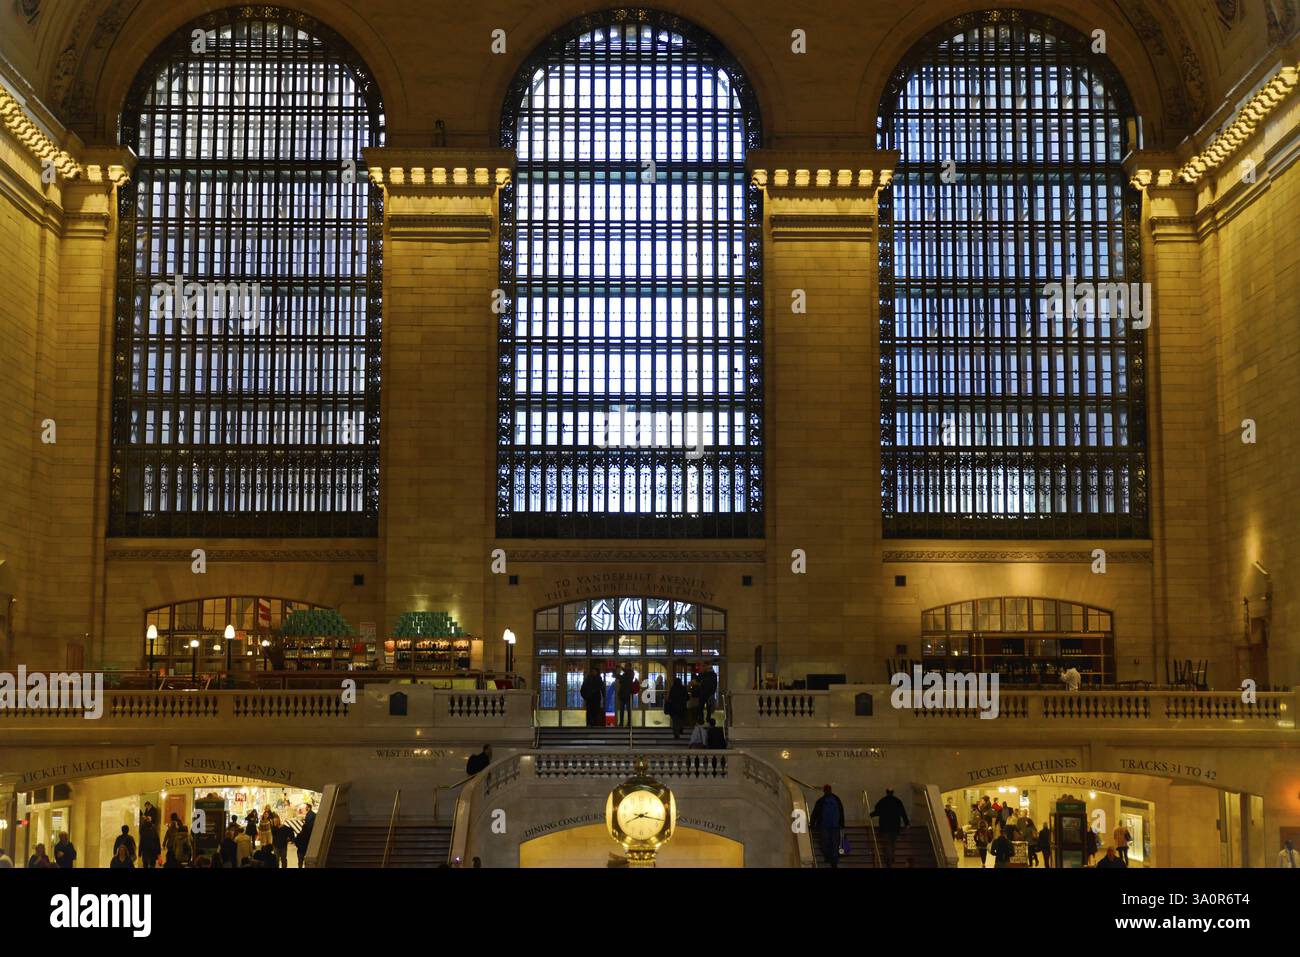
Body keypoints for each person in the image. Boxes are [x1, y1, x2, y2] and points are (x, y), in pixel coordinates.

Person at [869, 788, 911, 868]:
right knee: (893, 843)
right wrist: (907, 823)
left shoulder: (883, 801)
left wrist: (871, 815)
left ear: (886, 792)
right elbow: (903, 813)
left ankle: (889, 860)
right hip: (895, 826)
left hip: (885, 826)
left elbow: (877, 811)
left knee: (887, 843)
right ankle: (891, 857)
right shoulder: (897, 801)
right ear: (893, 793)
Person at [809, 785, 846, 869]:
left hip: (834, 826)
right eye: (827, 790)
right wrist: (812, 823)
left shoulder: (835, 799)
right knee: (826, 843)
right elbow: (815, 813)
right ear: (825, 791)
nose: (828, 791)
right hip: (824, 826)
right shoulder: (822, 801)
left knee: (834, 844)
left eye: (828, 789)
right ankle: (828, 857)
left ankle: (834, 861)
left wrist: (842, 824)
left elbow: (841, 811)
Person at [295, 802, 316, 867]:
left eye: (306, 807)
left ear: (309, 807)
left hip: (301, 850)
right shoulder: (311, 814)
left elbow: (296, 842)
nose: (305, 808)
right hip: (305, 848)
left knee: (300, 862)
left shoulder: (310, 814)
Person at [140, 803, 161, 869]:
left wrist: (140, 851)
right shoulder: (154, 830)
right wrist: (159, 851)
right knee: (152, 864)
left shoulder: (144, 831)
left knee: (146, 864)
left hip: (146, 850)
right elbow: (157, 841)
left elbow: (142, 841)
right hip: (153, 850)